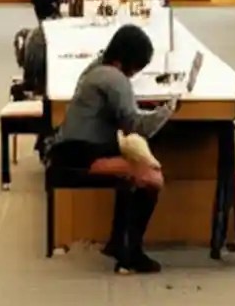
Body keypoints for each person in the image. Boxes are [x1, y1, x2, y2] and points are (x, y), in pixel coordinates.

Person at [46, 24, 177, 274]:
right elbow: (136, 127)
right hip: (81, 156)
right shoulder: (115, 79)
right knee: (151, 179)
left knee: (133, 168)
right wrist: (168, 108)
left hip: (69, 149)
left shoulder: (96, 69)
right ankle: (131, 255)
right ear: (131, 60)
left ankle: (119, 243)